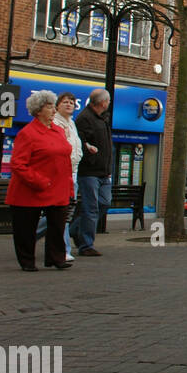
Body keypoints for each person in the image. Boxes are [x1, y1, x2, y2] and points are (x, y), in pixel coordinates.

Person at [6, 90, 73, 271]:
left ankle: (56, 257)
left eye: (53, 106)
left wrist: (69, 187)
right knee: (26, 228)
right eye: (49, 106)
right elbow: (18, 164)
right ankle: (27, 261)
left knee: (58, 224)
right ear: (38, 110)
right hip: (30, 189)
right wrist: (39, 181)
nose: (53, 110)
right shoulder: (27, 133)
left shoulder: (58, 131)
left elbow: (66, 160)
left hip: (57, 188)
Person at [70, 88, 113, 257]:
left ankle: (75, 229)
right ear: (103, 103)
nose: (108, 104)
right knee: (91, 207)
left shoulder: (102, 119)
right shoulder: (85, 119)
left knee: (104, 202)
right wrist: (91, 157)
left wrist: (107, 168)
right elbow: (81, 144)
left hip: (103, 172)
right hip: (89, 172)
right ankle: (86, 244)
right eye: (107, 101)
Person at [49, 92, 82, 262]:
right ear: (57, 106)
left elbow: (75, 146)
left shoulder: (72, 124)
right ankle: (63, 250)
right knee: (62, 213)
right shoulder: (55, 124)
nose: (69, 105)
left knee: (65, 213)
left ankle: (32, 234)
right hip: (61, 174)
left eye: (71, 102)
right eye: (65, 102)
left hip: (73, 173)